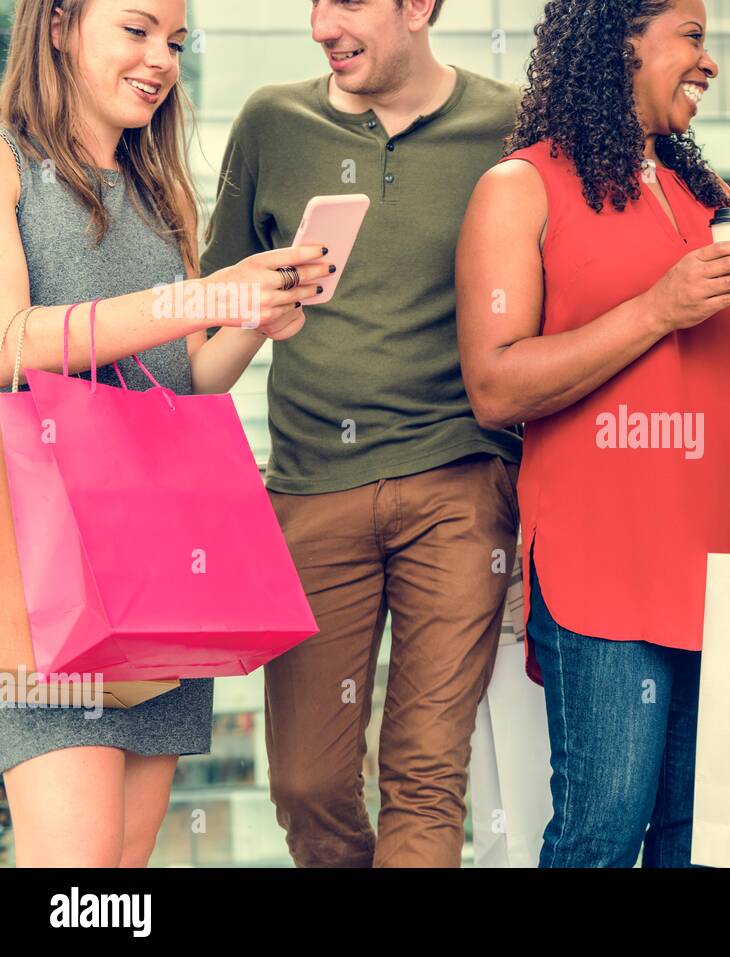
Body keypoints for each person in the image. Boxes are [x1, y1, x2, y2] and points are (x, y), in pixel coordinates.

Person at [457, 0, 730, 868]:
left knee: (698, 837)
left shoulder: (714, 199)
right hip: (604, 567)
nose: (709, 64)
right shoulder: (520, 188)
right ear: (621, 40)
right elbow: (493, 381)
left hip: (727, 562)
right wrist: (659, 309)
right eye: (693, 38)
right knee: (602, 832)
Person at [0, 0, 327, 867]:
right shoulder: (6, 164)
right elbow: (9, 341)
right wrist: (205, 294)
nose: (161, 60)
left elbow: (191, 380)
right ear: (61, 25)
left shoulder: (160, 190)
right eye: (138, 30)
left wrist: (255, 317)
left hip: (158, 583)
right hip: (47, 580)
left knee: (119, 881)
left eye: (176, 42)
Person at [200, 0, 523, 868]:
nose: (319, 24)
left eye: (345, 3)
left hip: (459, 483)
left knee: (424, 774)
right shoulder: (273, 122)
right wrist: (262, 296)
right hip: (308, 488)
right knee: (307, 782)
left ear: (417, 7)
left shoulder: (511, 126)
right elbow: (203, 325)